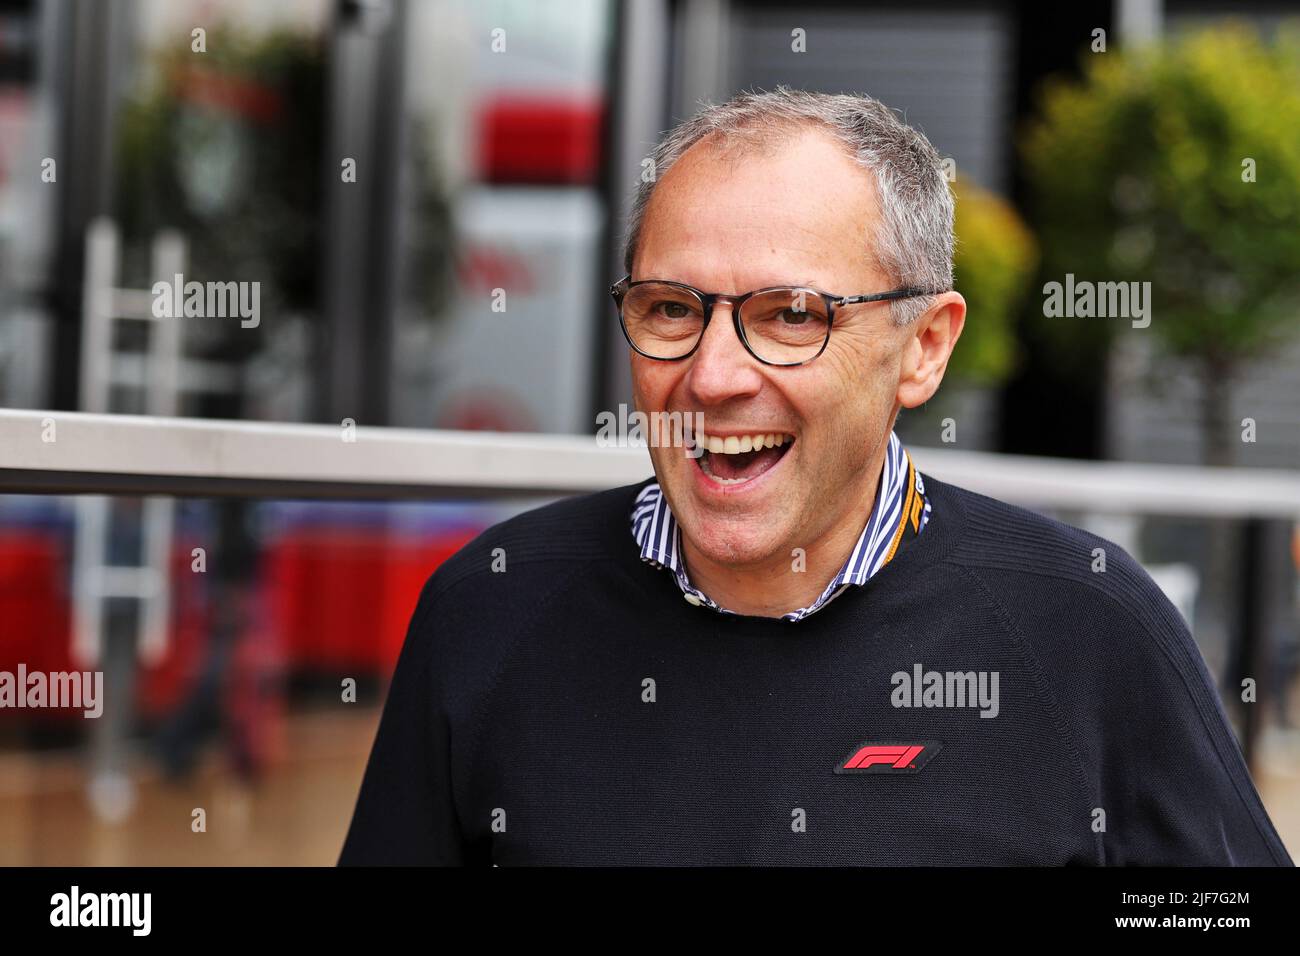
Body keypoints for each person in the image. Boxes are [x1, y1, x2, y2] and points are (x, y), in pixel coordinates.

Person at [339, 87, 1292, 866]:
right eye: (672, 308)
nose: (711, 376)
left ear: (922, 348)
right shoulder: (487, 609)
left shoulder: (1089, 629)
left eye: (791, 315)